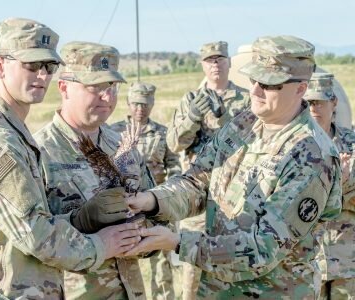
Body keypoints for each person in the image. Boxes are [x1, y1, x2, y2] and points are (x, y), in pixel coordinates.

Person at [124, 35, 342, 299]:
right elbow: (198, 182)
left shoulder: (312, 155)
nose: (255, 91)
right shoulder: (244, 124)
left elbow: (264, 249)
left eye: (269, 84)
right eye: (253, 80)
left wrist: (179, 242)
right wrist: (151, 200)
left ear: (300, 88)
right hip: (217, 290)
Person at [0, 18, 140, 299]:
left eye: (48, 66)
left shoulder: (16, 134)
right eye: (31, 65)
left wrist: (82, 218)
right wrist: (101, 245)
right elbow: (34, 232)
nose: (42, 76)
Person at [34, 41, 155, 299]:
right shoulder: (38, 152)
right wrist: (98, 238)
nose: (107, 96)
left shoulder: (124, 146)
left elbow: (157, 212)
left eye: (112, 86)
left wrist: (141, 237)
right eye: (95, 87)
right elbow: (32, 237)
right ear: (64, 87)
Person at [166, 41, 251, 299]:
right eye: (210, 60)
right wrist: (191, 118)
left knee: (230, 262)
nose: (215, 64)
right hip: (199, 194)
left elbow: (251, 144)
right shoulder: (191, 99)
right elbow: (173, 143)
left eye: (220, 59)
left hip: (233, 194)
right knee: (192, 266)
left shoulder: (245, 98)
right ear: (203, 64)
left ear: (228, 62)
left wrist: (225, 119)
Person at [111, 82, 182, 299]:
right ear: (127, 103)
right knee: (122, 265)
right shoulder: (113, 133)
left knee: (161, 264)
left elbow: (174, 167)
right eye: (136, 103)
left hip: (155, 206)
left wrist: (168, 195)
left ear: (152, 104)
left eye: (145, 104)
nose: (140, 109)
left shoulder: (162, 133)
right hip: (122, 210)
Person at [304, 72, 355, 299]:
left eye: (319, 102)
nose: (313, 108)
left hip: (346, 258)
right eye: (308, 102)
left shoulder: (351, 144)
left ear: (333, 102)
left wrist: (343, 184)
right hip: (307, 261)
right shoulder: (295, 147)